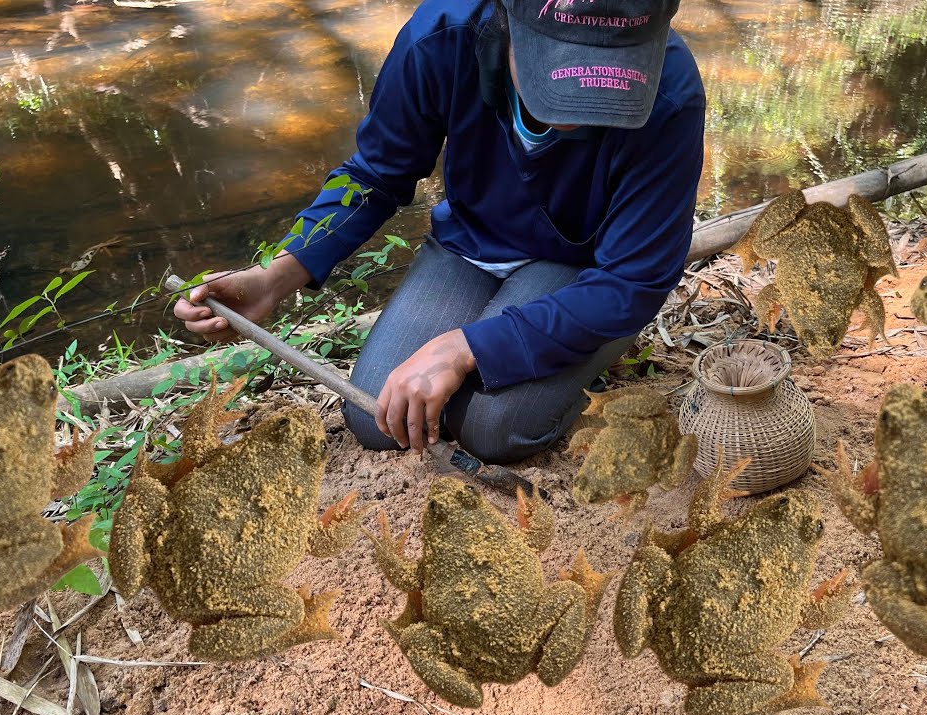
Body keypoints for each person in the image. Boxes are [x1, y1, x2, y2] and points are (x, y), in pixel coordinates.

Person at [174, 0, 705, 464]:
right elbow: (376, 174)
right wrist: (274, 278)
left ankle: (566, 357)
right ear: (505, 15)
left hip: (581, 270)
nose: (580, 102)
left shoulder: (671, 95)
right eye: (560, 66)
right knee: (379, 416)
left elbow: (631, 282)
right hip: (470, 246)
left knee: (494, 428)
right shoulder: (443, 35)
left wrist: (465, 348)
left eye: (610, 71)